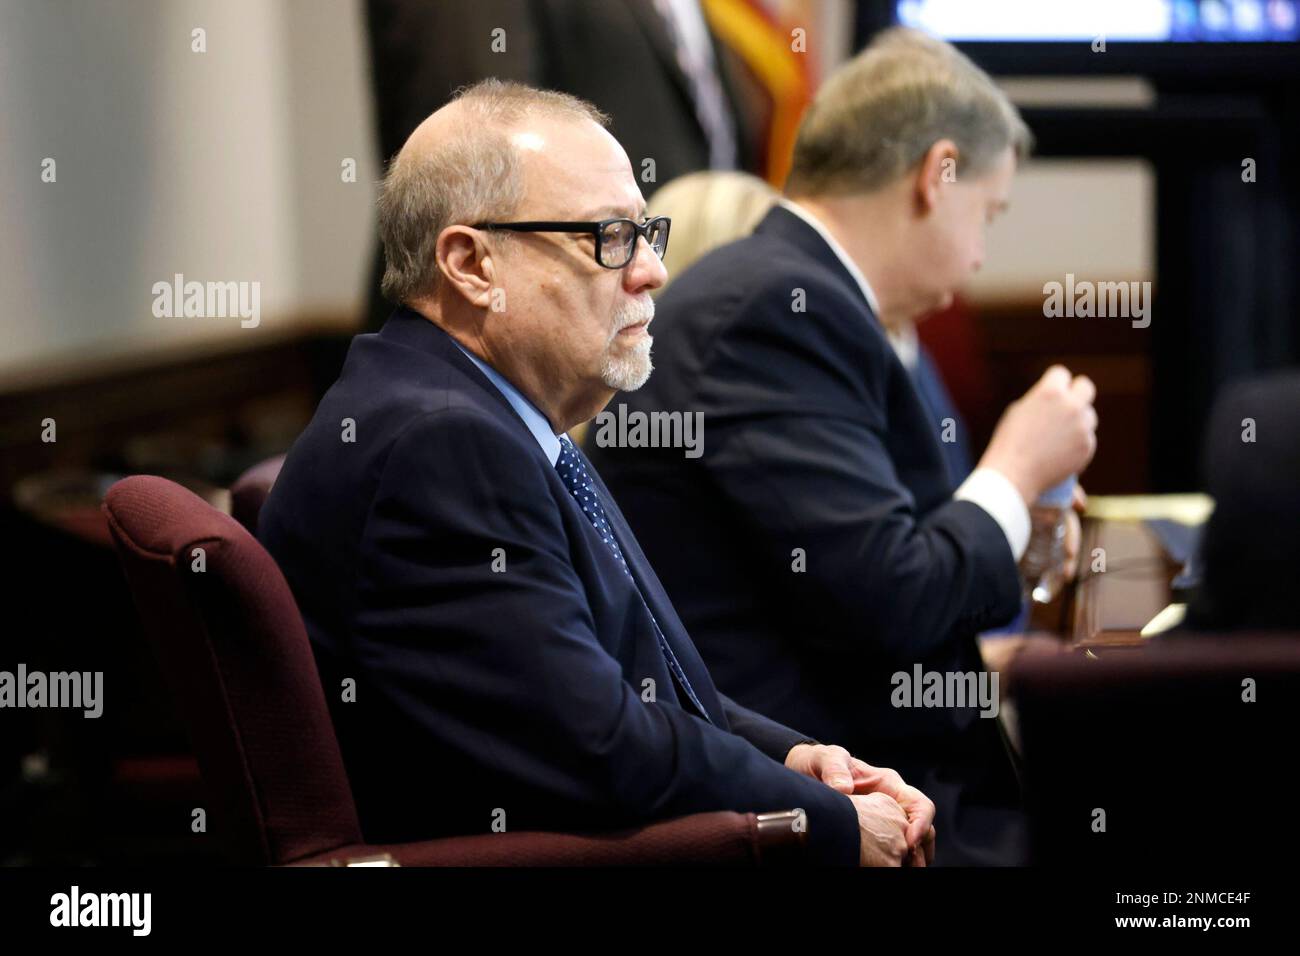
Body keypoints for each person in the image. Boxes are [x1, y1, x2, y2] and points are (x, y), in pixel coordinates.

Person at [259, 79, 935, 866]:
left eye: (648, 233)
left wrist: (796, 760)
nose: (651, 271)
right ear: (473, 263)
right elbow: (600, 746)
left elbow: (642, 685)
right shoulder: (441, 445)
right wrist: (825, 823)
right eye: (610, 238)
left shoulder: (485, 413)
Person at [586, 28, 1098, 864]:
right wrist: (1014, 469)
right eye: (988, 211)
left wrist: (1013, 530)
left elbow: (853, 586)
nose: (980, 254)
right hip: (817, 804)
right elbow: (890, 601)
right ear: (938, 177)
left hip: (862, 767)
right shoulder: (776, 309)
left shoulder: (815, 303)